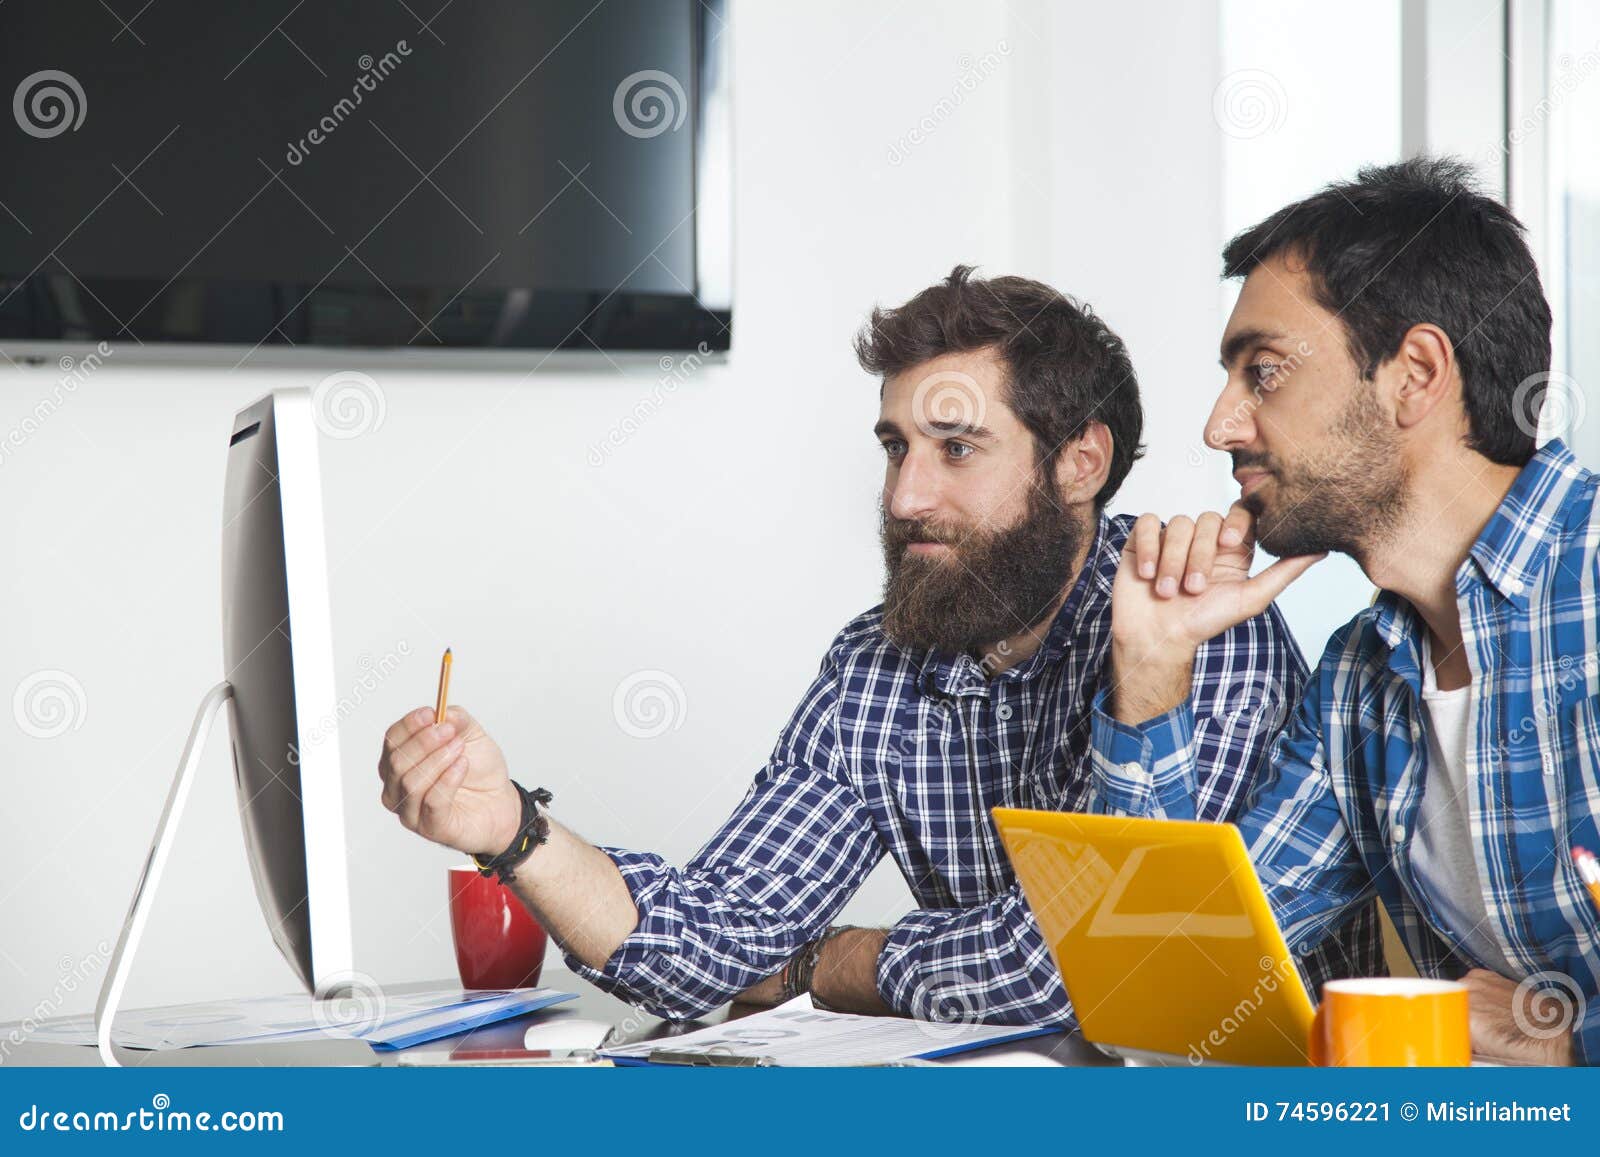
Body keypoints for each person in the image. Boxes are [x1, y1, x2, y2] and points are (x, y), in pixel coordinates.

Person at [379, 266, 1378, 1024]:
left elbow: (1100, 971)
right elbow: (708, 943)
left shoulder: (1198, 619)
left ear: (1080, 462)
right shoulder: (883, 662)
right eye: (896, 446)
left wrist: (829, 962)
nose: (904, 497)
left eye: (956, 447)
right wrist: (509, 826)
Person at [1093, 156, 1599, 1064]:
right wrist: (1152, 665)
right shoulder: (1361, 679)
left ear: (1415, 372)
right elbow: (1168, 983)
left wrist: (1572, 1040)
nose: (1220, 426)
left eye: (1265, 371)